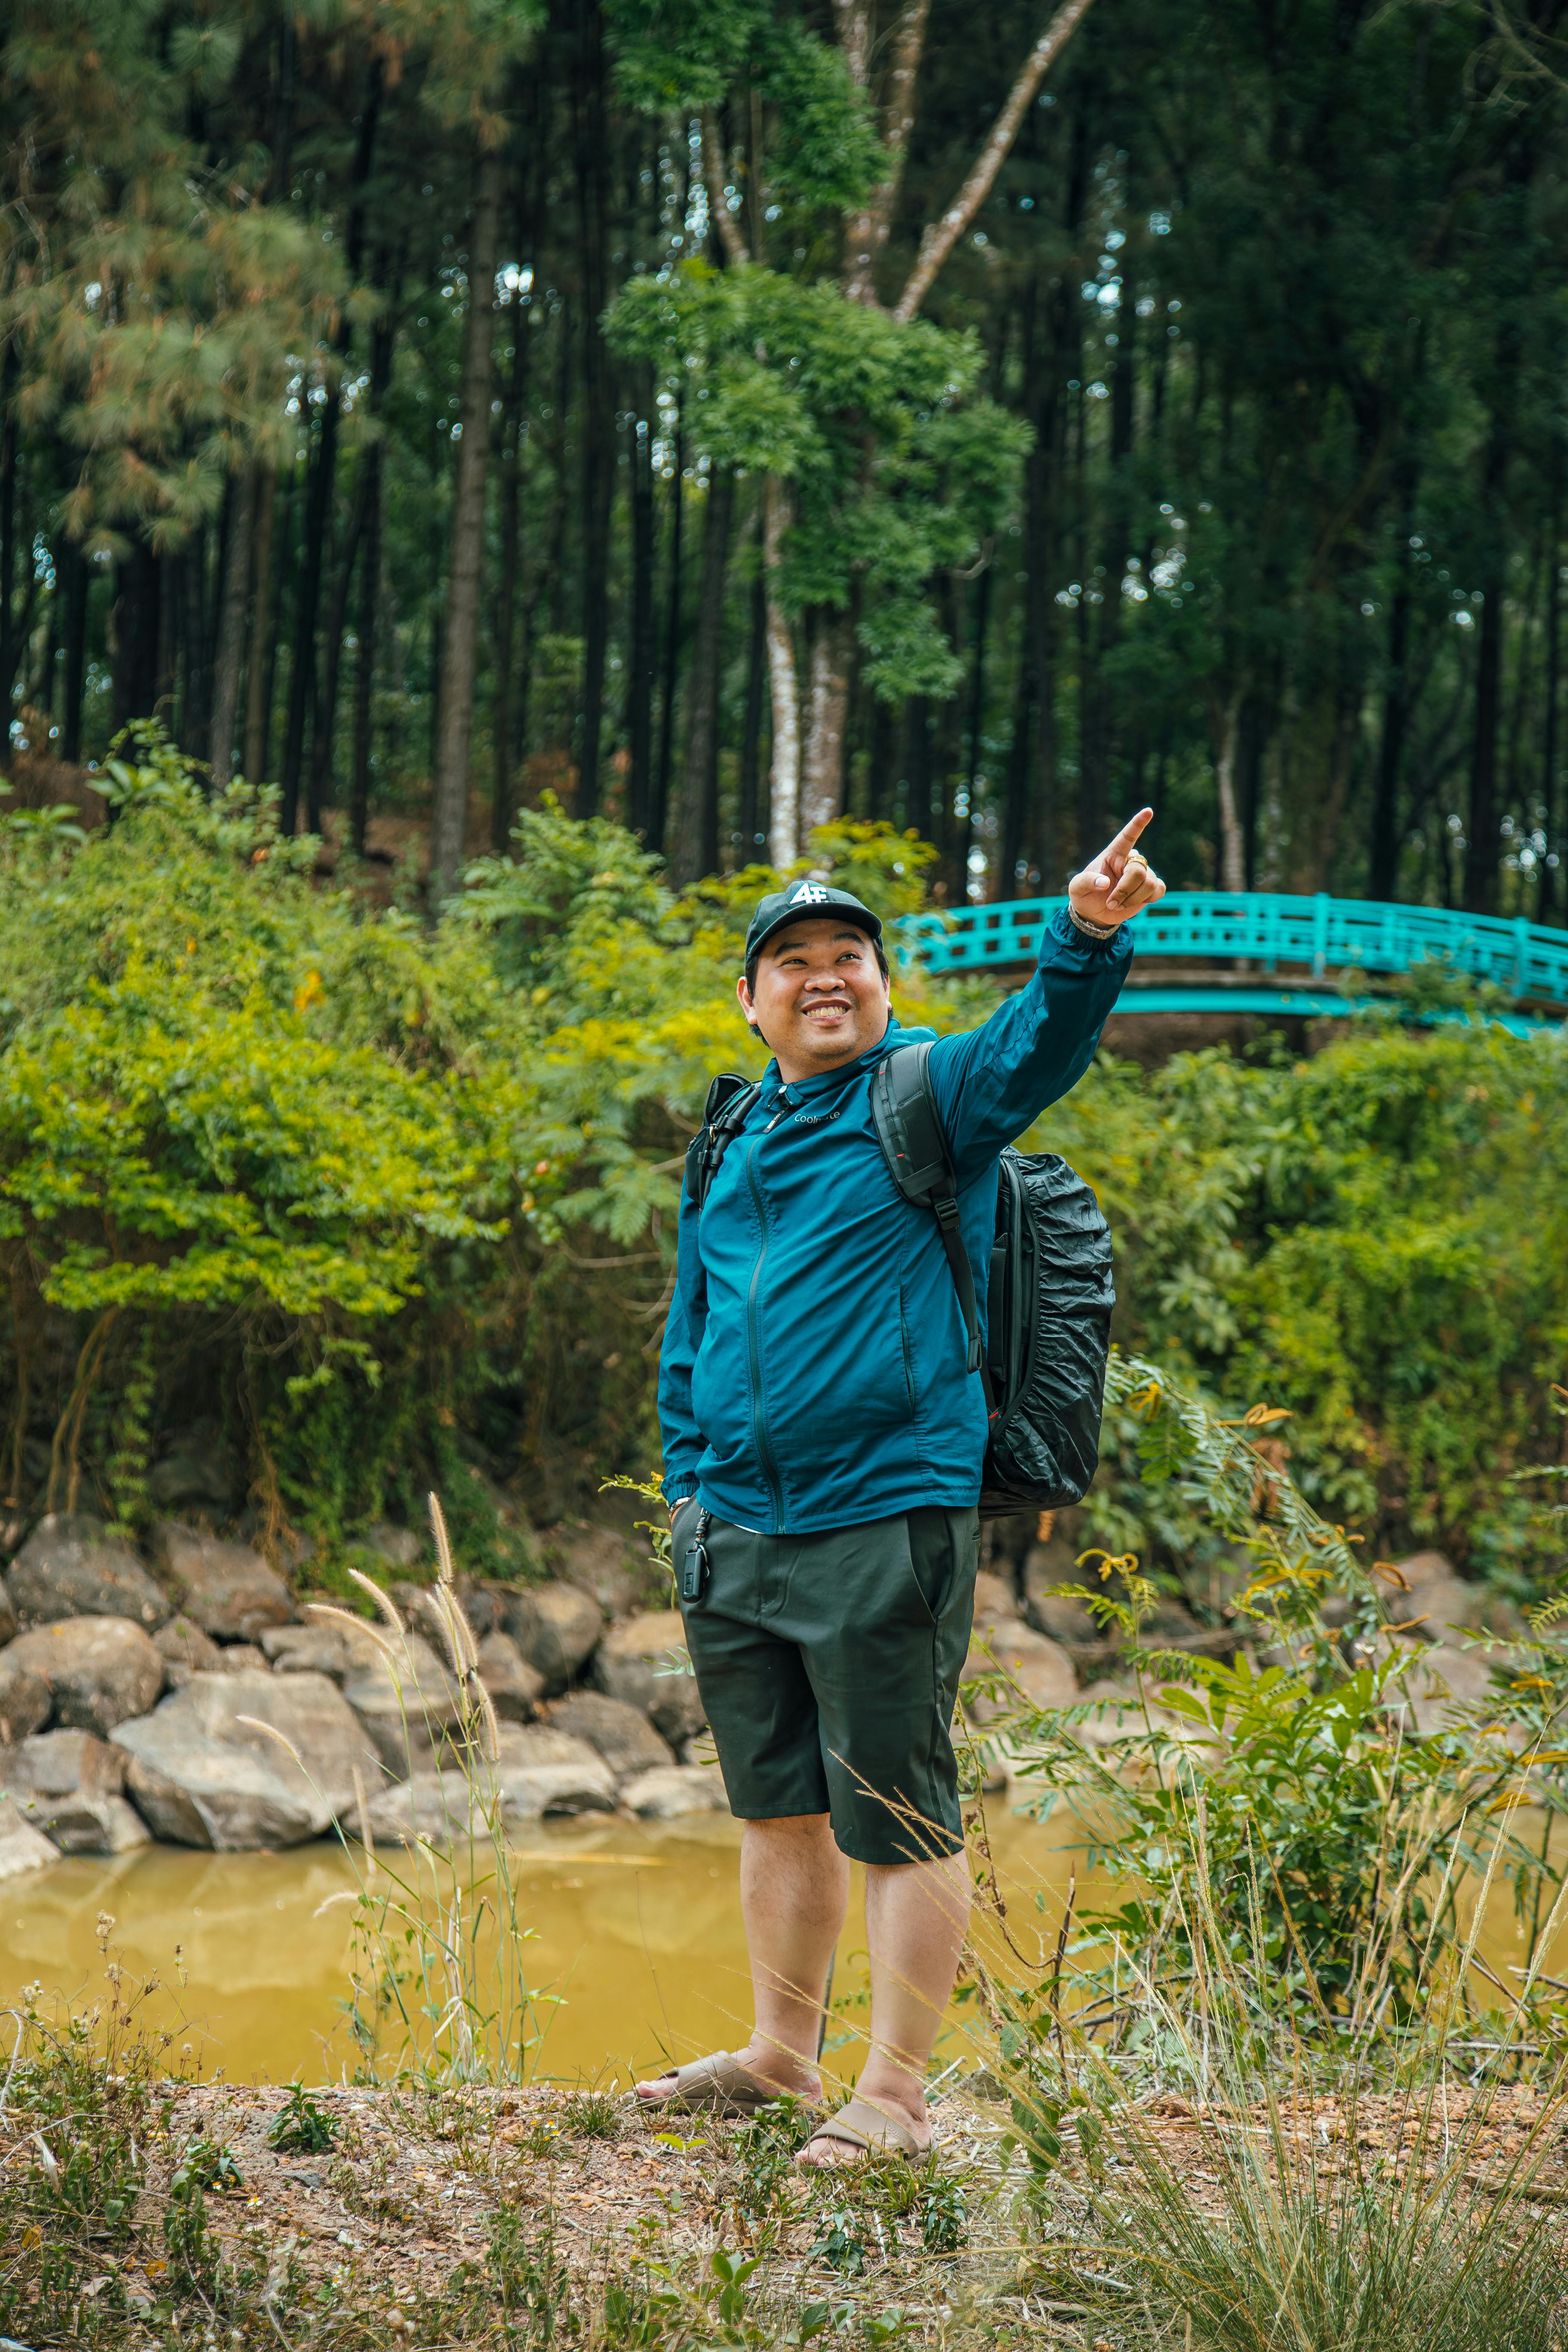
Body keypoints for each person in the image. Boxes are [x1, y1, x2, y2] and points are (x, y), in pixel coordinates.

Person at [637, 812, 1165, 2165]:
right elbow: (692, 1325)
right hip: (734, 1525)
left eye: (850, 954)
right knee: (777, 1806)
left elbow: (1037, 1043)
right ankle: (780, 2055)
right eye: (795, 958)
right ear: (749, 1000)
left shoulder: (930, 1096)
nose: (826, 974)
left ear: (882, 983)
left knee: (899, 1805)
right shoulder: (731, 1135)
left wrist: (1084, 937)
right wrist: (687, 1486)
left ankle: (898, 2095)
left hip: (885, 1512)